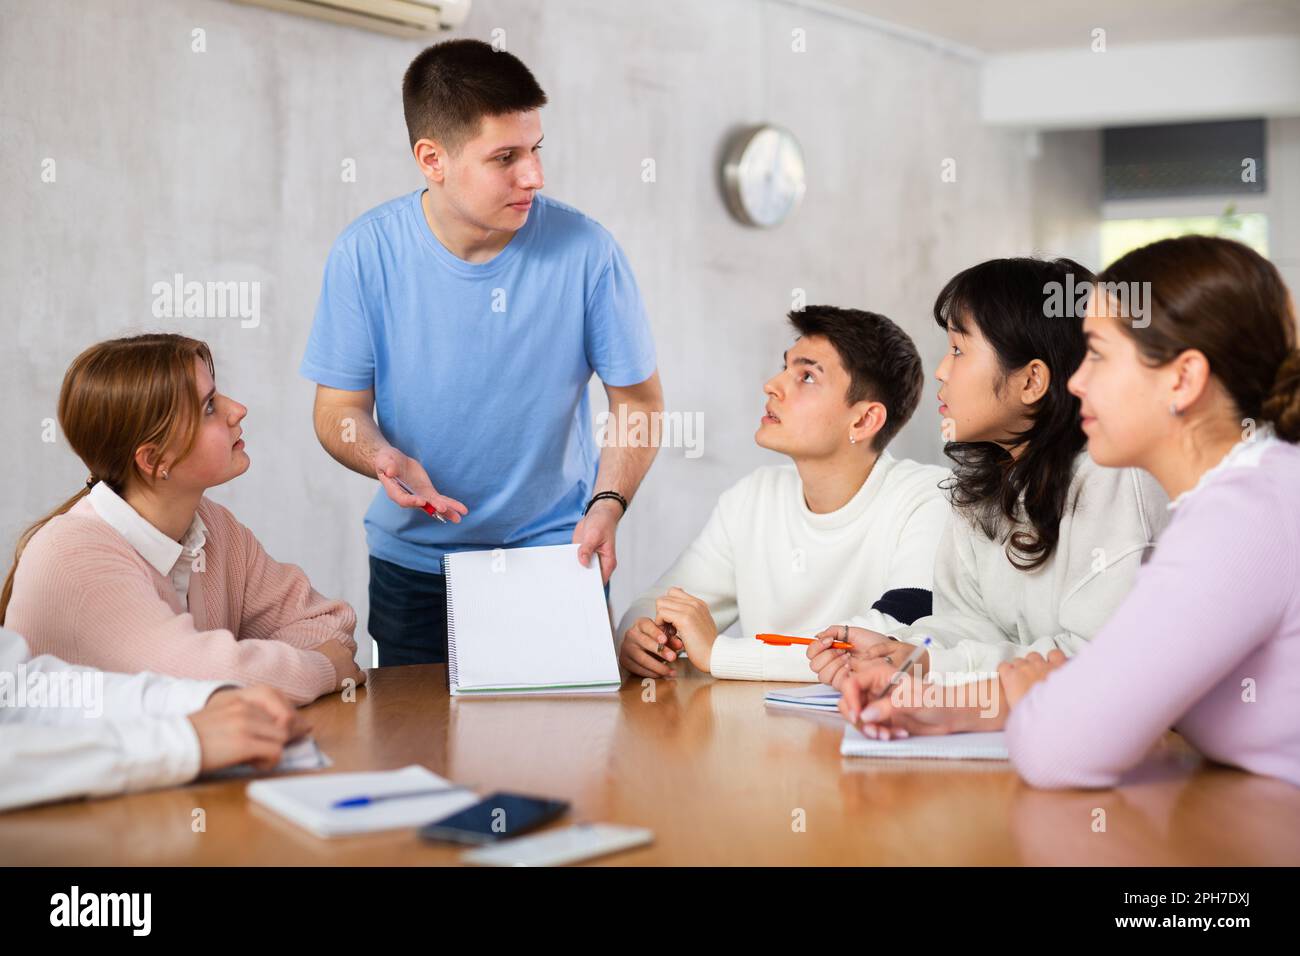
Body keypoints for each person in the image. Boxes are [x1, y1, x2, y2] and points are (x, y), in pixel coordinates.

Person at [841, 237, 1300, 789]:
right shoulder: (1238, 501)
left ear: (1182, 380)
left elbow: (1059, 752)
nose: (1076, 382)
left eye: (1099, 356)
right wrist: (957, 703)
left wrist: (1027, 694)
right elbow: (1113, 692)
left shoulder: (1242, 518)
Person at [302, 38, 662, 667]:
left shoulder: (588, 251)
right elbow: (338, 408)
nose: (535, 176)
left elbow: (637, 401)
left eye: (535, 150)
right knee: (421, 756)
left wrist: (609, 503)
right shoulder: (364, 255)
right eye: (506, 158)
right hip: (414, 568)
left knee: (566, 758)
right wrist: (380, 455)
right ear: (432, 159)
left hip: (559, 557)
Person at [809, 257, 1167, 687]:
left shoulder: (1112, 476)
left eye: (959, 350)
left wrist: (930, 667)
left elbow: (1098, 660)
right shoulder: (981, 488)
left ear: (1032, 382)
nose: (941, 370)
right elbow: (967, 626)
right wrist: (897, 648)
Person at [2, 334, 363, 705]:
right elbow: (204, 682)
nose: (237, 409)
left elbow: (328, 622)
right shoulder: (73, 555)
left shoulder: (211, 526)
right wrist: (321, 668)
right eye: (209, 407)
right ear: (154, 460)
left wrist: (262, 671)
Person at [617, 306, 949, 681]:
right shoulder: (751, 499)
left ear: (863, 420)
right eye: (785, 367)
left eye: (806, 376)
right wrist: (642, 635)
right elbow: (656, 603)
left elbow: (891, 643)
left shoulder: (926, 500)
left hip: (863, 734)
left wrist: (719, 653)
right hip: (764, 730)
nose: (772, 385)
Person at [1, 626, 308, 812]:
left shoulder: (218, 535)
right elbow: (214, 661)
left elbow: (20, 688)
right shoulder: (78, 548)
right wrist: (183, 740)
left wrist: (206, 701)